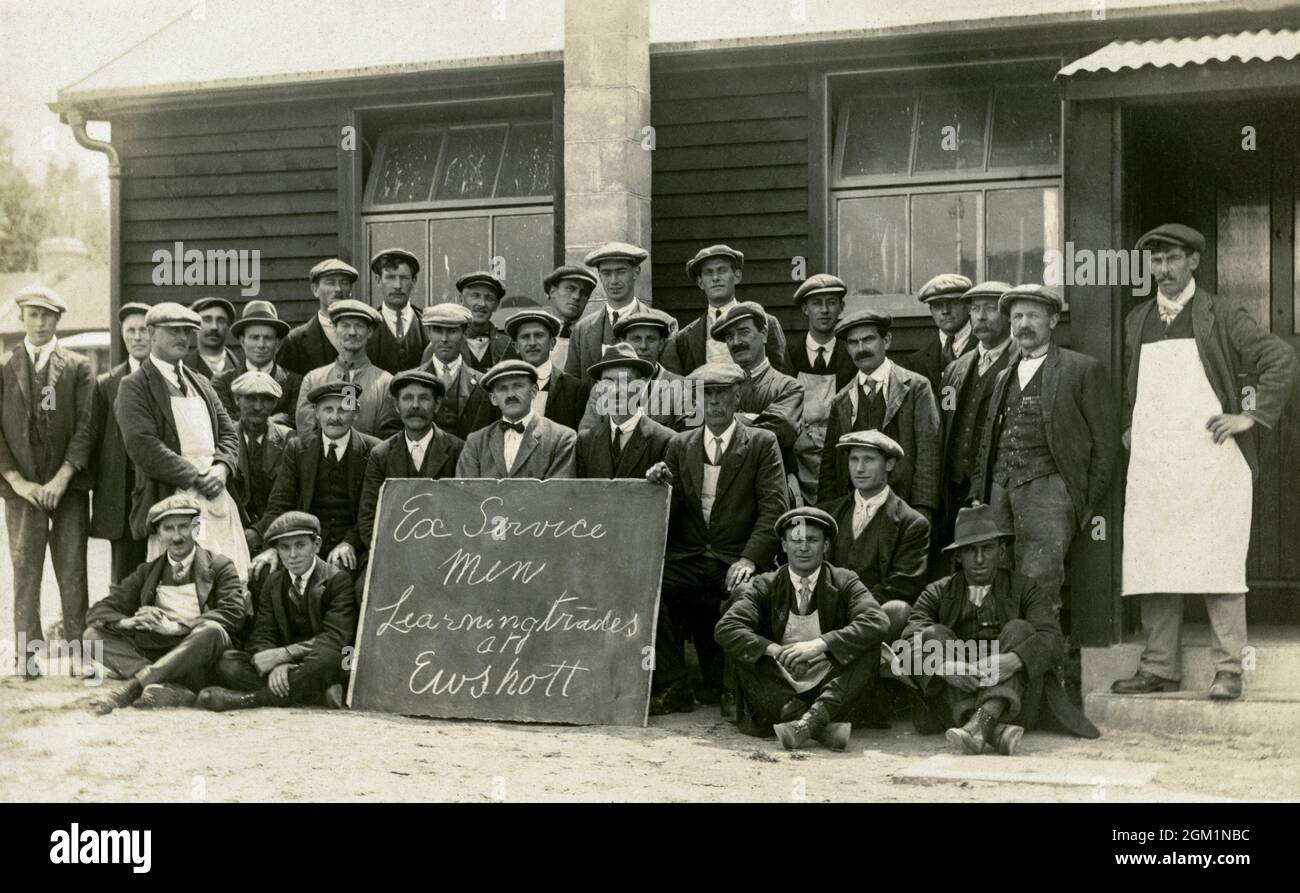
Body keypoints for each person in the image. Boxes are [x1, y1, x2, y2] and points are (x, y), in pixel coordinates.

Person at [1112, 224, 1299, 700]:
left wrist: (1251, 416)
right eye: (1156, 261)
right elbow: (1133, 386)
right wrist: (1134, 424)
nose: (1164, 270)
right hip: (1157, 462)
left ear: (1194, 261)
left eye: (1173, 259)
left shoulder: (1221, 313)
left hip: (1211, 459)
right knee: (1154, 559)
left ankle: (1229, 669)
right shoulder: (1137, 320)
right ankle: (1158, 667)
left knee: (1217, 559)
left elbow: (1280, 357)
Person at [644, 362, 789, 715]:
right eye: (706, 395)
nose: (714, 403)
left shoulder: (761, 443)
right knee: (650, 589)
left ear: (737, 396)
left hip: (735, 557)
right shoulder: (680, 445)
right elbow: (672, 513)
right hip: (690, 557)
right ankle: (674, 683)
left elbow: (774, 509)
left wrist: (749, 559)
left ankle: (731, 688)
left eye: (722, 393)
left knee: (746, 594)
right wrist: (660, 485)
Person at [897, 504, 1099, 755]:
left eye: (988, 549)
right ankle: (991, 730)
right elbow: (904, 645)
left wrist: (1014, 661)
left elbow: (1053, 640)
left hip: (1017, 705)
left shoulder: (1025, 588)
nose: (979, 559)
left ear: (1001, 551)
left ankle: (981, 723)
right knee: (933, 635)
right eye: (971, 550)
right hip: (953, 701)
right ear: (958, 556)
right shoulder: (938, 592)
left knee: (1020, 629)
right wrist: (943, 668)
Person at [972, 283, 1117, 611]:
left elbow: (1105, 445)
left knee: (1040, 583)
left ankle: (1040, 659)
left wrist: (1081, 497)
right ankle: (1007, 653)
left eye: (1033, 316)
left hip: (1048, 490)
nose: (1024, 324)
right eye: (1017, 316)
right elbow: (988, 441)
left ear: (1052, 321)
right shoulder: (1003, 375)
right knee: (998, 577)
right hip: (1000, 490)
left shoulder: (1080, 369)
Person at [716, 507, 890, 750]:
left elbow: (876, 620)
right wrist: (776, 651)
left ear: (826, 545)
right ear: (784, 546)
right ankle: (814, 726)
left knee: (871, 644)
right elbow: (727, 627)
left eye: (812, 540)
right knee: (746, 647)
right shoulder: (765, 584)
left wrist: (819, 645)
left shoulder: (844, 580)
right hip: (780, 686)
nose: (803, 547)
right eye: (795, 540)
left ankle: (813, 718)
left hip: (828, 685)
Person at [115, 302, 250, 581]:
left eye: (187, 332)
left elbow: (228, 433)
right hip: (172, 499)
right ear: (151, 334)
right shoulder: (134, 385)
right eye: (173, 330)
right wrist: (197, 477)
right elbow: (144, 445)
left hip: (216, 497)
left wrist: (222, 469)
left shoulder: (200, 381)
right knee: (179, 584)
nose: (182, 338)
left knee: (227, 578)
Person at [0, 284, 95, 674]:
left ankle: (81, 653)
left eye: (48, 315)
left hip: (67, 487)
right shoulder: (5, 368)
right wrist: (17, 481)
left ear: (59, 320)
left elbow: (87, 426)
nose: (40, 323)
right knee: (25, 569)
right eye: (33, 314)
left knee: (73, 568)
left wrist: (62, 477)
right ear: (21, 317)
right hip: (22, 488)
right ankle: (26, 654)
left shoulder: (77, 366)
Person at [85, 495, 248, 715]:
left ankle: (135, 686)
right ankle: (169, 686)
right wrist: (129, 622)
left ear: (196, 528)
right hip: (159, 651)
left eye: (183, 527)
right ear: (159, 534)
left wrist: (178, 627)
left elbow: (234, 613)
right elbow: (98, 611)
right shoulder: (147, 572)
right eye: (168, 529)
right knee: (91, 637)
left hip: (201, 654)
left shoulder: (220, 566)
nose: (177, 537)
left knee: (211, 629)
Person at [198, 512, 357, 711]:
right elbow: (263, 633)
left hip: (321, 658)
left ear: (316, 545)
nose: (292, 555)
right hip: (295, 667)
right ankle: (314, 692)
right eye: (285, 547)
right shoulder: (273, 582)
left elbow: (336, 638)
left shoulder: (337, 580)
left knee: (331, 660)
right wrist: (273, 663)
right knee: (227, 663)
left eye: (300, 545)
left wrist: (286, 656)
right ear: (277, 551)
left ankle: (251, 699)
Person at [817, 309, 940, 521]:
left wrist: (922, 510)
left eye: (868, 339)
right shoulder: (842, 399)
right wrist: (829, 513)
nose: (861, 348)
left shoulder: (916, 388)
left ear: (887, 340)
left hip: (905, 509)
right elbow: (830, 464)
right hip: (856, 512)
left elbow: (929, 454)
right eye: (853, 343)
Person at [248, 382, 381, 575]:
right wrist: (272, 545)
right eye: (328, 409)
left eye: (344, 410)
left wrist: (350, 542)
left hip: (353, 544)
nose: (335, 417)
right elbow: (279, 503)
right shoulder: (297, 448)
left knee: (343, 574)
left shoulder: (374, 451)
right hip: (304, 540)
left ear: (356, 412)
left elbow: (373, 512)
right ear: (317, 413)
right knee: (265, 572)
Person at [818, 430, 929, 641]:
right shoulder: (830, 512)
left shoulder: (911, 522)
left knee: (898, 610)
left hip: (872, 615)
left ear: (889, 464)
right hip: (827, 611)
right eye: (854, 459)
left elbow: (904, 584)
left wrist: (856, 606)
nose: (859, 468)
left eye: (868, 460)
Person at [936, 281, 1016, 570]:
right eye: (974, 308)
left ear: (1008, 314)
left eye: (990, 308)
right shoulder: (955, 369)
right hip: (955, 487)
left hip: (997, 486)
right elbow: (944, 426)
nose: (981, 317)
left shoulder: (1021, 362)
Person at [358, 370, 465, 560]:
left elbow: (463, 513)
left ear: (437, 404)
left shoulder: (457, 450)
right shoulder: (381, 455)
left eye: (424, 398)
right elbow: (369, 519)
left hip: (444, 555)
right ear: (397, 406)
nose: (415, 406)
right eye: (407, 398)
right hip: (393, 554)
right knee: (362, 589)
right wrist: (395, 554)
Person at [91, 301, 152, 584]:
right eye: (131, 331)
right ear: (123, 334)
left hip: (157, 482)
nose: (137, 337)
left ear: (154, 333)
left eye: (143, 330)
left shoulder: (169, 376)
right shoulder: (107, 383)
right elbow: (96, 438)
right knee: (124, 571)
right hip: (123, 487)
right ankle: (120, 624)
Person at [661, 244, 791, 376]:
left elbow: (782, 378)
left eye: (722, 270)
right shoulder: (684, 338)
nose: (715, 278)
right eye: (708, 272)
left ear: (737, 276)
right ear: (700, 282)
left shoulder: (766, 323)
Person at [786, 274, 856, 505]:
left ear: (841, 307)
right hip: (796, 464)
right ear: (805, 309)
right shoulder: (788, 354)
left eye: (831, 302)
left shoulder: (853, 356)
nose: (824, 310)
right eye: (817, 303)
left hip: (837, 461)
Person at [711, 301, 804, 470]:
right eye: (729, 337)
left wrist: (728, 422)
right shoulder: (720, 388)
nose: (736, 342)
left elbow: (782, 431)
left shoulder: (789, 387)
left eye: (744, 332)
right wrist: (753, 418)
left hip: (772, 484)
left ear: (764, 334)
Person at [465, 309, 591, 432]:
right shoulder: (498, 387)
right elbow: (480, 439)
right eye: (525, 337)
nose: (532, 343)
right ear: (516, 347)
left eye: (539, 335)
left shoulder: (575, 390)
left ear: (552, 343)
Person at [455, 359, 576, 479]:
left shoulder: (561, 439)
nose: (511, 394)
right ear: (493, 399)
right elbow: (466, 493)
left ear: (534, 391)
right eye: (502, 389)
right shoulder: (476, 442)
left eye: (518, 386)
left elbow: (558, 493)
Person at [295, 299, 399, 438]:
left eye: (359, 326)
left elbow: (388, 439)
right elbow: (306, 434)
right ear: (335, 330)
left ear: (369, 332)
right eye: (345, 325)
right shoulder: (313, 379)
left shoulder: (386, 383)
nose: (352, 332)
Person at [576, 308, 687, 431]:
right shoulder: (602, 389)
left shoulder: (681, 387)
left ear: (661, 344)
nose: (643, 346)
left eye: (651, 339)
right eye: (636, 339)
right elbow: (587, 437)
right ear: (622, 342)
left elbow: (686, 441)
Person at [575, 343, 675, 479]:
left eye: (624, 381)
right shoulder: (585, 441)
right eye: (607, 381)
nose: (615, 390)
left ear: (640, 387)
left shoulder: (665, 441)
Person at [564, 242, 651, 383]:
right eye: (606, 273)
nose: (614, 281)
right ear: (599, 276)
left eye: (621, 272)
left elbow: (668, 383)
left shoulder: (662, 323)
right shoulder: (582, 330)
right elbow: (571, 386)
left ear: (636, 272)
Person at [211, 300, 301, 427]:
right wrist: (272, 421)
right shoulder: (222, 382)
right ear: (242, 342)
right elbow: (223, 424)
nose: (261, 345)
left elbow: (295, 423)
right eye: (254, 338)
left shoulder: (295, 382)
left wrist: (241, 420)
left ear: (277, 344)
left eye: (267, 338)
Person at [227, 371, 293, 528]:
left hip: (275, 528)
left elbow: (288, 497)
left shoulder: (288, 440)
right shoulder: (224, 439)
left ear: (275, 404)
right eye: (250, 398)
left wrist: (259, 531)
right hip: (233, 528)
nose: (258, 407)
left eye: (266, 400)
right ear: (237, 400)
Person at [277, 258, 360, 376]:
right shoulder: (295, 341)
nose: (338, 289)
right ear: (315, 289)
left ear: (350, 290)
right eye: (330, 282)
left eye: (344, 283)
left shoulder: (365, 334)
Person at [414, 302, 483, 439]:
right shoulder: (411, 380)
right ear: (429, 334)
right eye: (438, 331)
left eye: (452, 331)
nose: (444, 339)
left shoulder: (482, 384)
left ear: (464, 334)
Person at [901, 274, 975, 393]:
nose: (945, 311)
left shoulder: (987, 351)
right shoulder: (916, 363)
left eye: (953, 302)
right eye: (937, 305)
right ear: (931, 311)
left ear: (968, 305)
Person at [367, 248, 428, 374]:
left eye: (404, 278)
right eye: (390, 278)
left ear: (414, 281)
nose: (397, 286)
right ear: (378, 280)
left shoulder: (427, 325)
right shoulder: (367, 325)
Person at [452, 271, 516, 373]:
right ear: (461, 299)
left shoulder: (508, 345)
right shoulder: (447, 341)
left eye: (489, 298)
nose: (482, 303)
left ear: (496, 305)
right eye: (475, 296)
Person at [543, 264, 598, 372]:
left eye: (584, 293)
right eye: (570, 288)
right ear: (552, 291)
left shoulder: (592, 336)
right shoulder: (533, 331)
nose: (576, 296)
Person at [183, 296, 241, 380]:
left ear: (228, 327)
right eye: (207, 319)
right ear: (195, 326)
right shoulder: (183, 368)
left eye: (221, 320)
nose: (214, 327)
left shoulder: (242, 367)